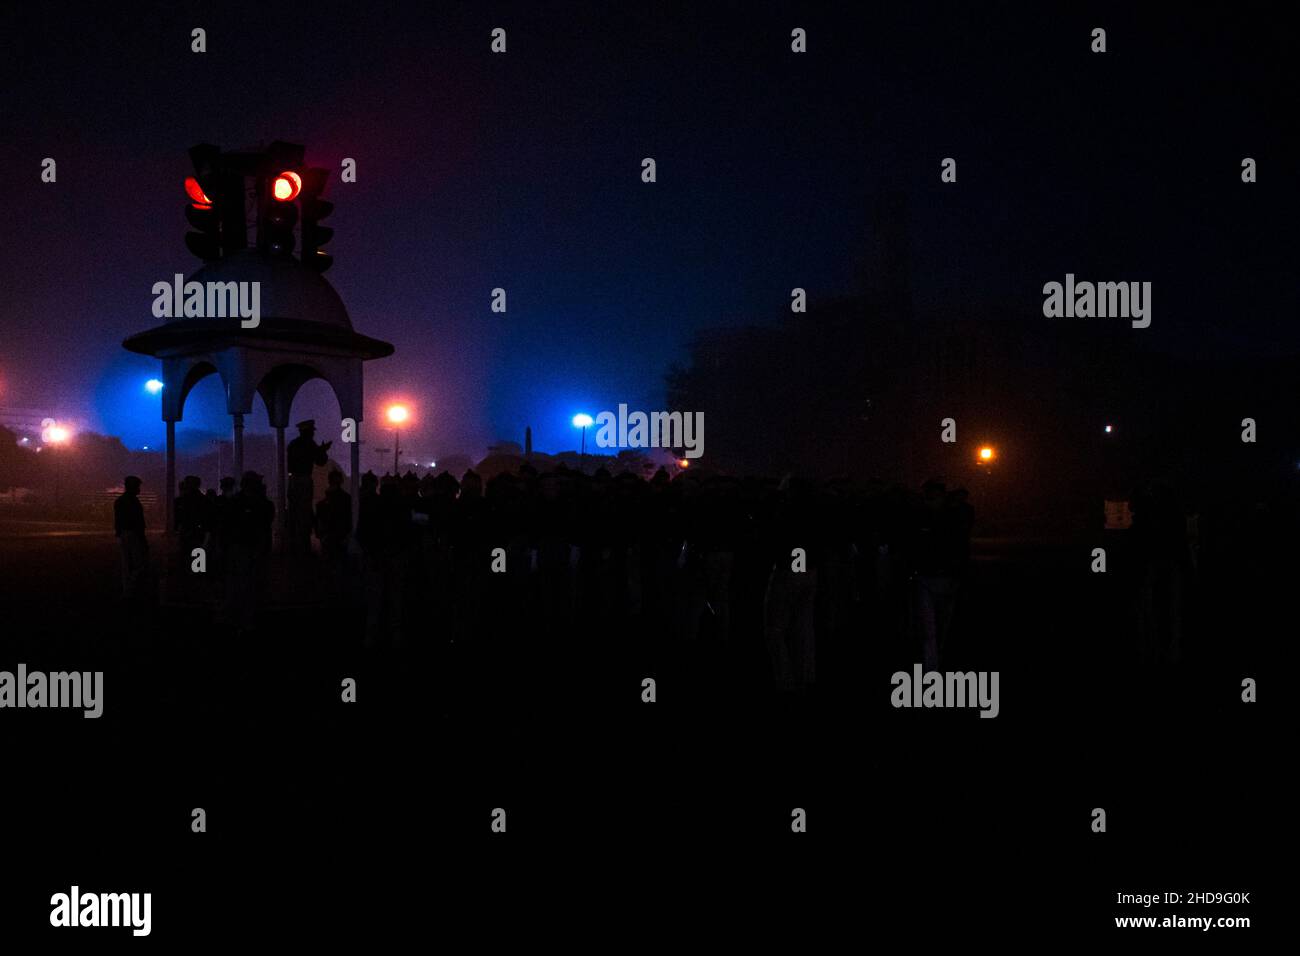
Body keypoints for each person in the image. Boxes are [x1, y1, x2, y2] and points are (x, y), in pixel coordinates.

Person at [286, 420, 332, 554]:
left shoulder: (293, 444)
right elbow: (320, 462)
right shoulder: (309, 444)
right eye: (311, 431)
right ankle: (303, 543)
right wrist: (322, 451)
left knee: (294, 510)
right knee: (304, 511)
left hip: (293, 480)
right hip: (304, 479)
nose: (313, 433)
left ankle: (294, 541)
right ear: (308, 432)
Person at [114, 475, 148, 601]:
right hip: (134, 534)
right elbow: (139, 522)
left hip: (123, 533)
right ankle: (132, 589)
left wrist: (118, 533)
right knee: (139, 563)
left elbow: (117, 520)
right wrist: (143, 539)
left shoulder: (119, 501)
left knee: (126, 563)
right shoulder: (135, 502)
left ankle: (127, 591)